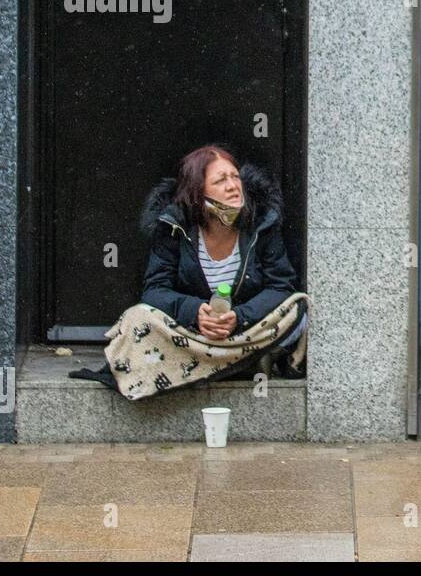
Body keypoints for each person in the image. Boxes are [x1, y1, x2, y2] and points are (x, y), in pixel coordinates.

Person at [71, 145, 308, 396]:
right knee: (136, 318)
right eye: (220, 180)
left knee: (297, 310)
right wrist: (195, 312)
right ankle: (242, 363)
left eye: (235, 177)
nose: (232, 186)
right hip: (192, 335)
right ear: (198, 191)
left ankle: (225, 361)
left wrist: (240, 317)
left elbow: (281, 286)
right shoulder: (174, 226)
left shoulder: (262, 222)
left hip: (246, 331)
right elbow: (154, 291)